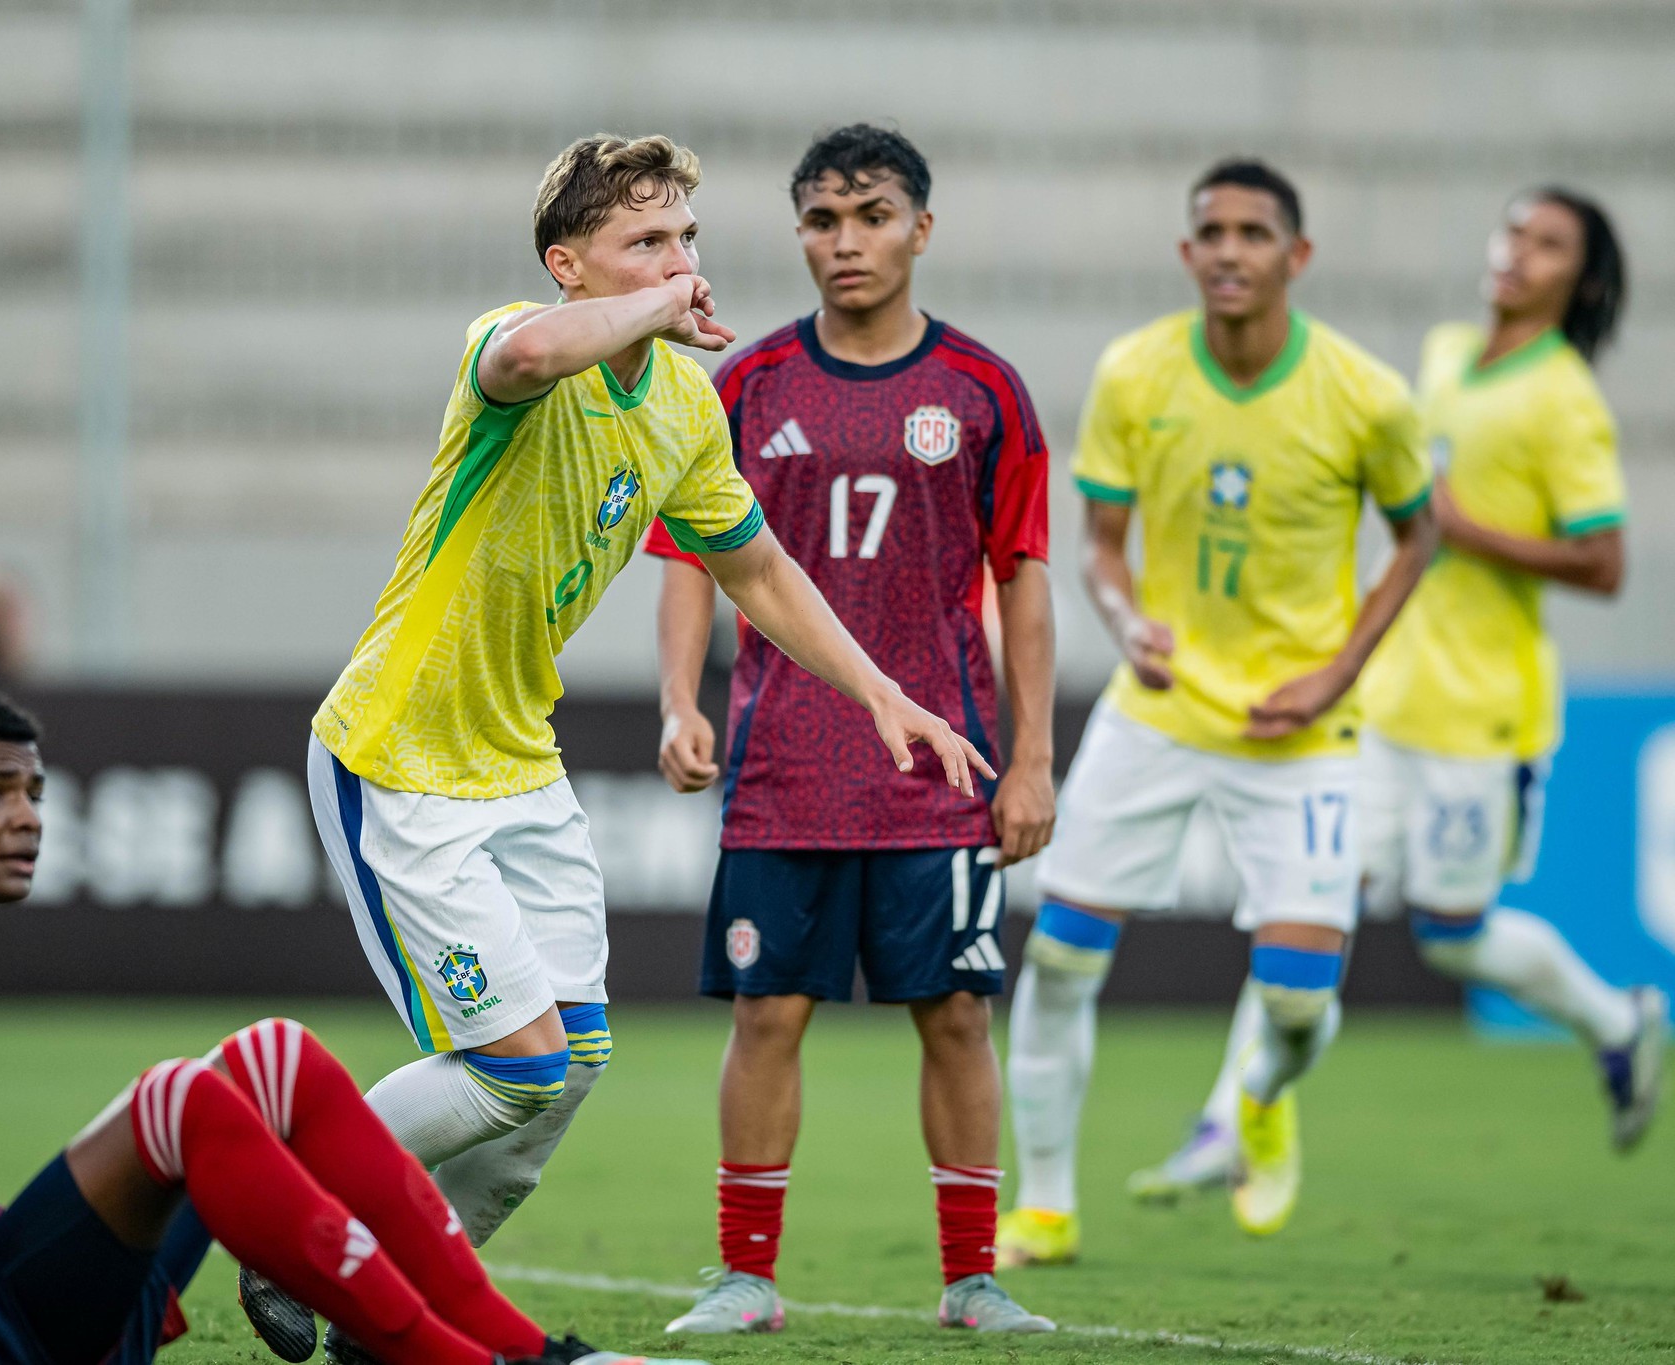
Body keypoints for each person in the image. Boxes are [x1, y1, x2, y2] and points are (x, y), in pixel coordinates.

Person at [300, 131, 995, 1338]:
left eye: (685, 240)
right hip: (397, 752)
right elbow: (530, 351)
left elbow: (760, 572)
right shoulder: (512, 347)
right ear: (568, 265)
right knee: (511, 1063)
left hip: (518, 761)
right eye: (644, 244)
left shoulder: (681, 403)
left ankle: (391, 1299)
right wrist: (658, 308)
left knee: (565, 1070)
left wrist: (878, 690)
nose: (681, 265)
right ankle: (299, 1215)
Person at [0, 680, 700, 1365]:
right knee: (183, 1101)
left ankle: (511, 1349)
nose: (26, 818)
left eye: (32, 791)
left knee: (269, 1060)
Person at [1133, 189, 1663, 1203]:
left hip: (1479, 715)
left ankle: (1614, 1021)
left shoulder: (1563, 399)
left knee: (1452, 935)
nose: (1515, 252)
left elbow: (1602, 564)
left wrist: (1459, 528)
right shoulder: (1444, 353)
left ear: (1579, 280)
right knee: (1303, 903)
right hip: (1377, 702)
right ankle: (1225, 1124)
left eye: (1546, 245)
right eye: (1511, 230)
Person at [644, 125, 1054, 1337]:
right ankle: (744, 1279)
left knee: (959, 1014)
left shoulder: (980, 391)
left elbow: (1023, 578)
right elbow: (684, 552)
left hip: (942, 769)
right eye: (821, 221)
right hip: (782, 767)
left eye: (870, 215)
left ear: (919, 228)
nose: (845, 242)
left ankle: (972, 1280)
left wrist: (1030, 761)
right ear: (798, 236)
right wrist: (681, 698)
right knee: (766, 1014)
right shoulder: (746, 382)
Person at [1000, 160, 1439, 1263]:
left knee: (1295, 1005)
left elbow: (1417, 534)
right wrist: (1125, 618)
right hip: (1157, 714)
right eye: (1212, 232)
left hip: (1300, 736)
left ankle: (1259, 1100)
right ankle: (1044, 1206)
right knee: (1056, 961)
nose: (1230, 250)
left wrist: (1335, 675)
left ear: (1295, 257)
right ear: (1187, 253)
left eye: (1254, 233)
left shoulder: (1366, 394)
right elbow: (1098, 549)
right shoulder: (1134, 372)